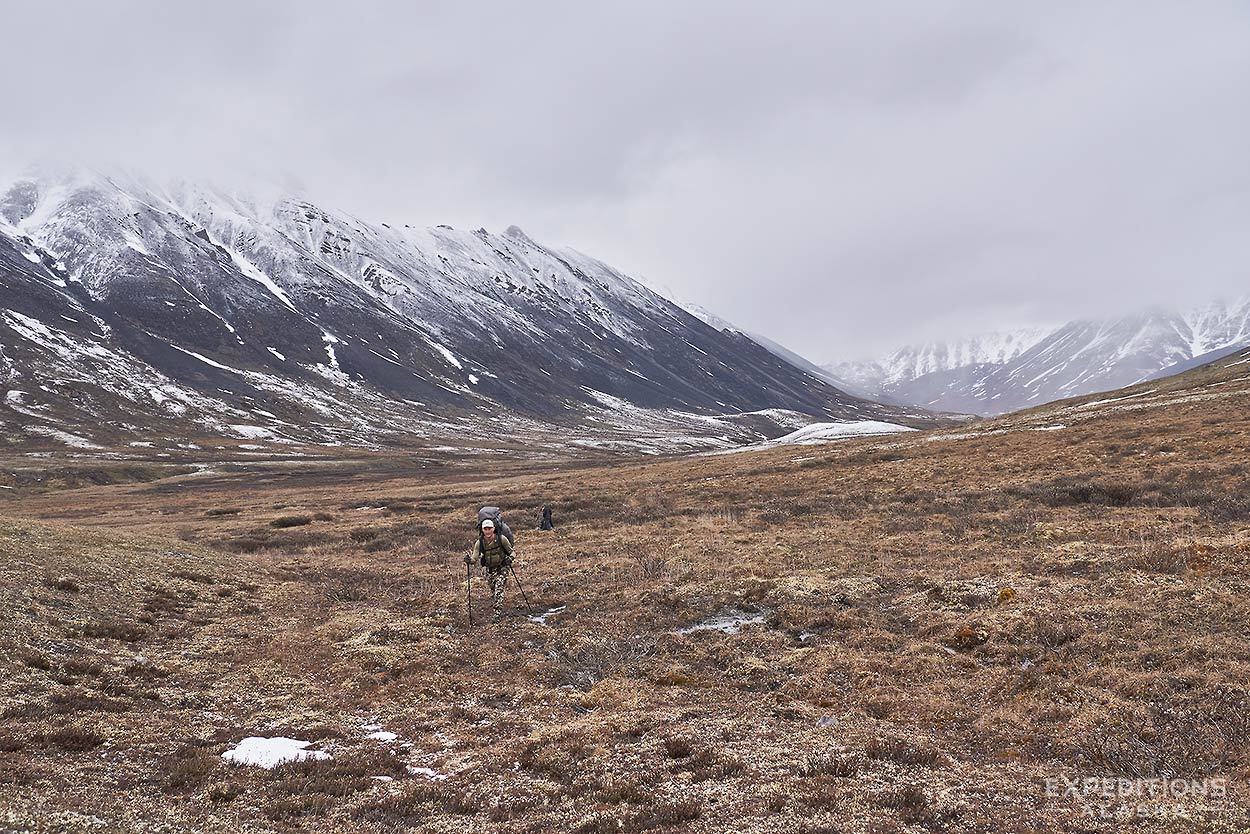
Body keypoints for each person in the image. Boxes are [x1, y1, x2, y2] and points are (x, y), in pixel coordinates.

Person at [465, 518, 514, 623]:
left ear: (494, 528)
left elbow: (512, 552)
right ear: (482, 530)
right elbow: (474, 558)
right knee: (493, 590)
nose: (487, 531)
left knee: (499, 589)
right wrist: (469, 560)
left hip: (502, 567)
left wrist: (510, 559)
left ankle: (497, 615)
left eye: (489, 528)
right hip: (490, 569)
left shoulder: (502, 539)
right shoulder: (480, 543)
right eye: (485, 529)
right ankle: (497, 604)